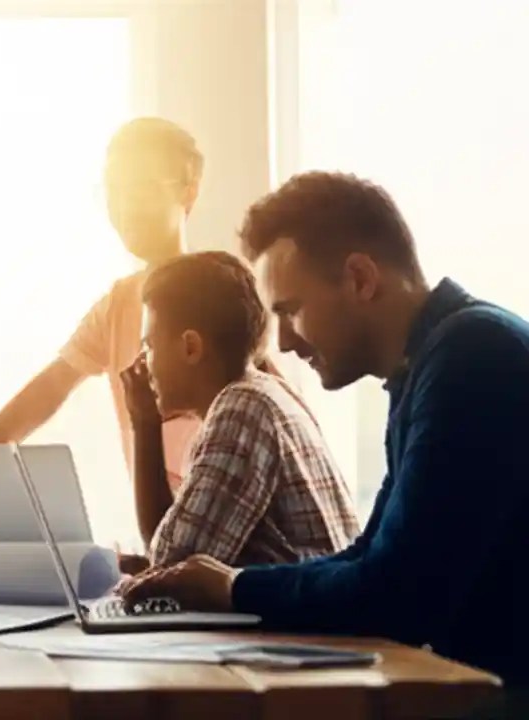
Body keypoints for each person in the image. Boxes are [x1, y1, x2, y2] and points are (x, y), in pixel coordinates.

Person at [118, 172, 529, 686]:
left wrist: (232, 589)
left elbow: (394, 593)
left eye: (291, 311)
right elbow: (366, 556)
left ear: (360, 278)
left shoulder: (470, 359)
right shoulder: (430, 366)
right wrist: (230, 582)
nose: (284, 344)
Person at [0, 118, 204, 495]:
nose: (126, 206)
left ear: (189, 193)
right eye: (115, 190)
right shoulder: (117, 305)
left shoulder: (224, 295)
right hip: (165, 532)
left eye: (142, 189)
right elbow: (47, 390)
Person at [117, 251, 358, 574]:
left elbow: (172, 566)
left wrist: (143, 423)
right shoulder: (267, 393)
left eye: (150, 346)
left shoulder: (242, 410)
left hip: (304, 624)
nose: (143, 362)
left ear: (191, 347)